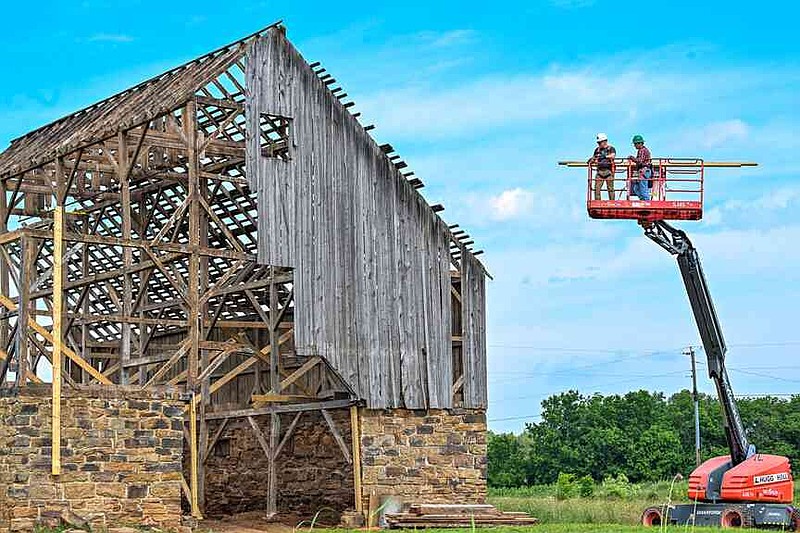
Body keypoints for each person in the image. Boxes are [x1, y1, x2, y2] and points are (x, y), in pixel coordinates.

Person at [588, 133, 616, 200]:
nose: (599, 144)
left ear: (605, 141)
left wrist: (605, 156)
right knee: (597, 189)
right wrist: (591, 160)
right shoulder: (597, 150)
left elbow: (613, 155)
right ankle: (598, 202)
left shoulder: (611, 148)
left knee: (610, 188)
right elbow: (594, 158)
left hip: (608, 171)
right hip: (600, 171)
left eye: (600, 142)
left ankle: (612, 202)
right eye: (598, 143)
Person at [628, 134, 652, 201]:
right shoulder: (644, 150)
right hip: (643, 171)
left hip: (644, 170)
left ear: (639, 143)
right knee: (637, 188)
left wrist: (631, 158)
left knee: (643, 187)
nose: (634, 145)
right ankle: (643, 199)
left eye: (635, 144)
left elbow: (640, 161)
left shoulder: (642, 150)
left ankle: (646, 201)